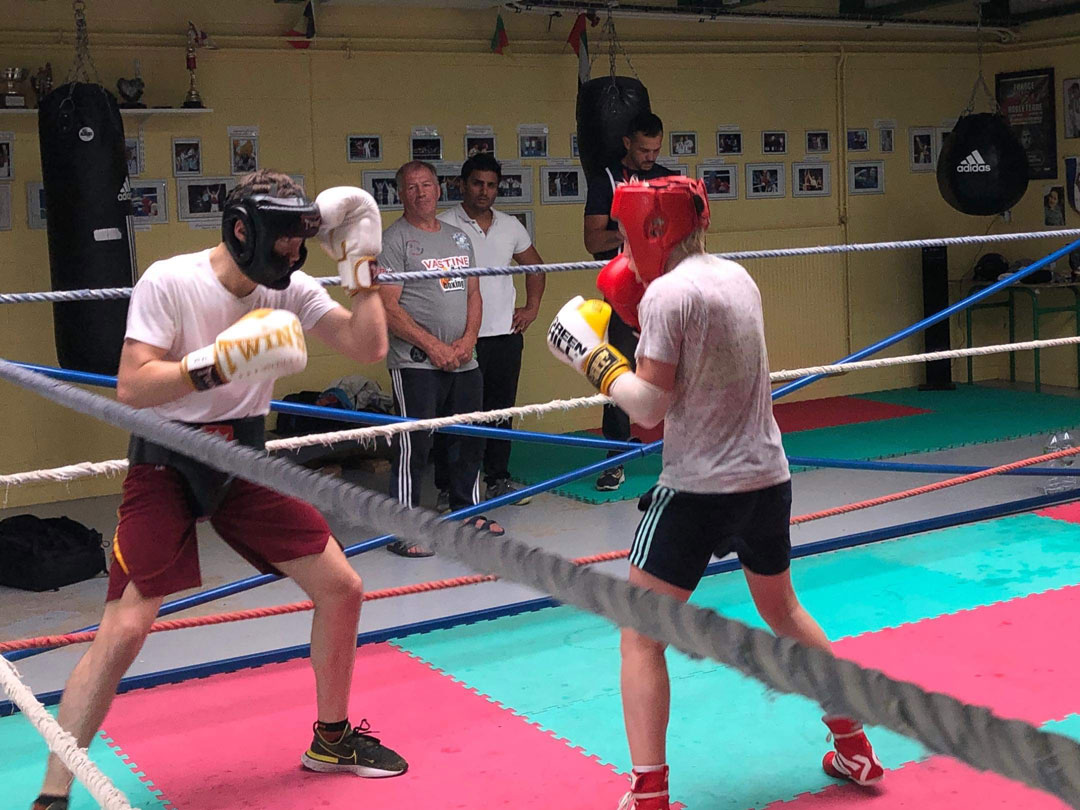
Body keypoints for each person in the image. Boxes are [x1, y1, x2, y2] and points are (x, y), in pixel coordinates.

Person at [29, 171, 406, 810]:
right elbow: (132, 386)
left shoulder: (293, 288)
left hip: (244, 458)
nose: (296, 251)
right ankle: (53, 792)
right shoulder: (170, 280)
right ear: (242, 229)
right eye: (286, 239)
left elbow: (368, 345)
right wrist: (217, 364)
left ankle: (332, 740)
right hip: (166, 459)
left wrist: (363, 264)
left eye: (301, 239)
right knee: (125, 627)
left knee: (341, 588)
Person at [547, 176, 884, 810]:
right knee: (783, 611)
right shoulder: (738, 278)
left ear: (654, 230)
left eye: (624, 233)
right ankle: (855, 746)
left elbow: (647, 409)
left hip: (700, 488)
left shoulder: (669, 297)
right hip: (767, 476)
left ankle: (648, 796)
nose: (619, 246)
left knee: (639, 632)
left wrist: (589, 355)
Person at [377, 160, 497, 558]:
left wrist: (467, 341)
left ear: (439, 190)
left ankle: (469, 510)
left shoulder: (459, 239)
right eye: (411, 187)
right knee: (415, 443)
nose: (421, 193)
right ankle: (403, 526)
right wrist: (433, 346)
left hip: (465, 357)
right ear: (401, 194)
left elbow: (474, 295)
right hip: (415, 361)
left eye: (426, 185)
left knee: (470, 436)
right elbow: (389, 309)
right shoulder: (393, 240)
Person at [437, 153, 546, 503]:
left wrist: (531, 308)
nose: (484, 192)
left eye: (491, 185)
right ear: (461, 185)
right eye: (477, 184)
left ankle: (498, 479)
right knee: (456, 417)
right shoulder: (443, 224)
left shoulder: (510, 225)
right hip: (459, 338)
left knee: (501, 412)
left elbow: (536, 267)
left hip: (504, 335)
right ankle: (448, 488)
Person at [583, 111, 675, 491]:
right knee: (618, 371)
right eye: (643, 149)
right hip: (624, 290)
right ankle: (616, 456)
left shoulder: (669, 178)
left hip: (667, 290)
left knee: (677, 370)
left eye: (655, 149)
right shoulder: (605, 178)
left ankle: (684, 452)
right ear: (626, 143)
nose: (650, 157)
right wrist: (636, 234)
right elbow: (592, 241)